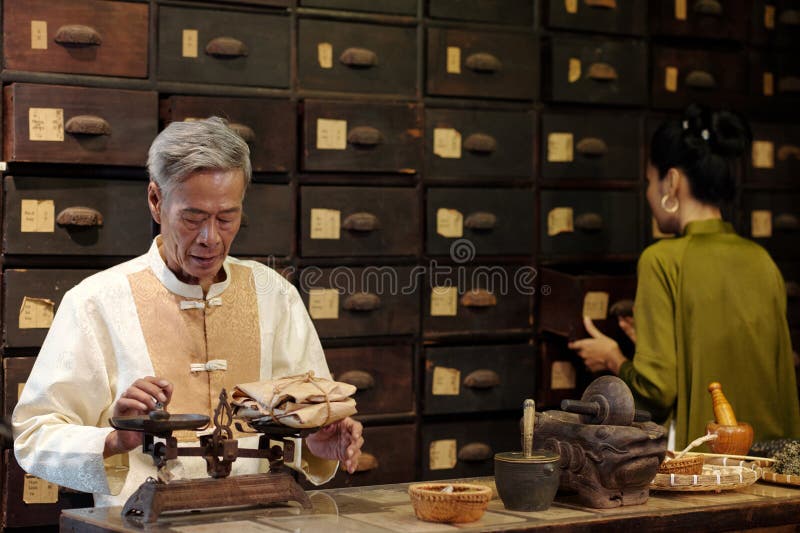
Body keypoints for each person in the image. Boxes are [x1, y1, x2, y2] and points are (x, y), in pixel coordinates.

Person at [13, 117, 363, 506]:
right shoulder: (97, 301)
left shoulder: (274, 295)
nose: (210, 238)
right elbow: (34, 434)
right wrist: (115, 437)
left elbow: (308, 408)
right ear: (156, 200)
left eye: (227, 218)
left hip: (261, 518)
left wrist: (316, 438)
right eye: (193, 217)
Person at [569, 105, 800, 450]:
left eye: (649, 181)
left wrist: (613, 358)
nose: (648, 194)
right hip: (771, 467)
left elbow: (655, 393)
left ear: (672, 181)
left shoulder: (662, 260)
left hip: (705, 467)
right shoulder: (762, 261)